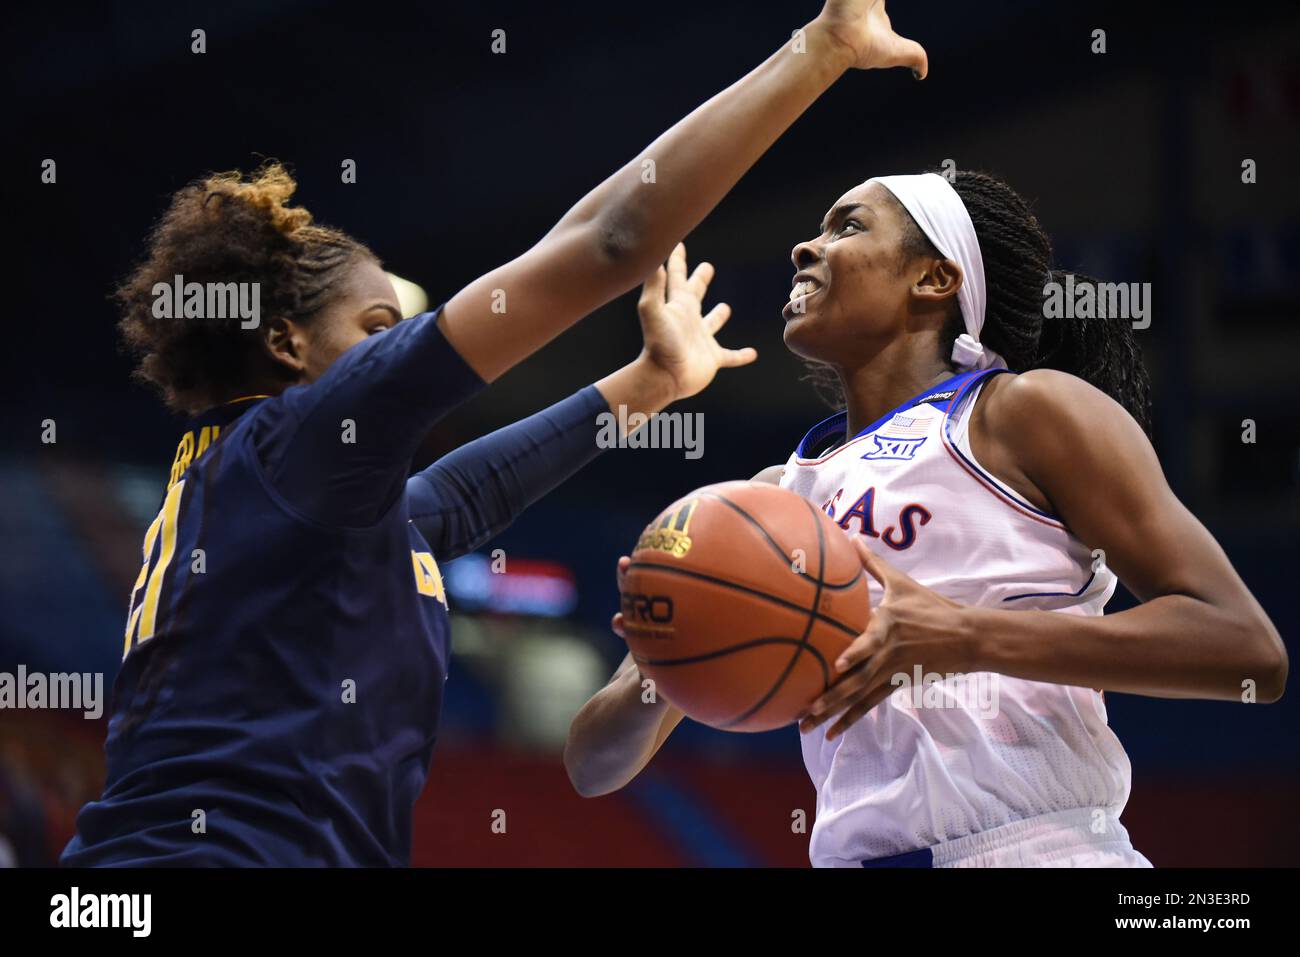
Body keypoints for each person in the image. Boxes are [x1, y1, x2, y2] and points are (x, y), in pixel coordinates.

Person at [61, 0, 929, 866]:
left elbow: (459, 500)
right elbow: (609, 240)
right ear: (285, 342)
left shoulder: (273, 489)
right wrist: (818, 50)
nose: (397, 348)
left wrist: (651, 380)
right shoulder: (299, 444)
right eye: (377, 329)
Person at [564, 169, 1288, 868]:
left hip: (1036, 847)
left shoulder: (1023, 412)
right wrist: (657, 665)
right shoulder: (771, 500)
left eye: (846, 226)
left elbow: (1246, 649)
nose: (804, 248)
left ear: (935, 278)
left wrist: (966, 633)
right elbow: (593, 766)